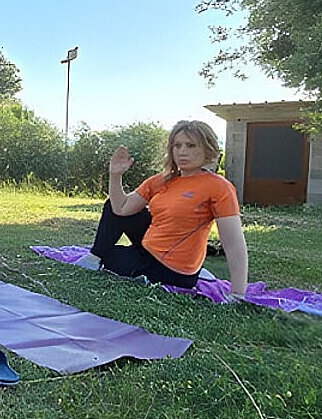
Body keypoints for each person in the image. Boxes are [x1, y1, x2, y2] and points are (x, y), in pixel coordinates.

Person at [71, 119, 249, 299]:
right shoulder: (162, 180)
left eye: (191, 145)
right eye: (177, 146)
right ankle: (94, 258)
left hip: (174, 269)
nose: (182, 152)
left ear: (208, 149)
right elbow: (121, 209)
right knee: (111, 210)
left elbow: (234, 244)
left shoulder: (219, 187)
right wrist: (115, 175)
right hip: (148, 248)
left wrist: (238, 293)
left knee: (110, 258)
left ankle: (113, 262)